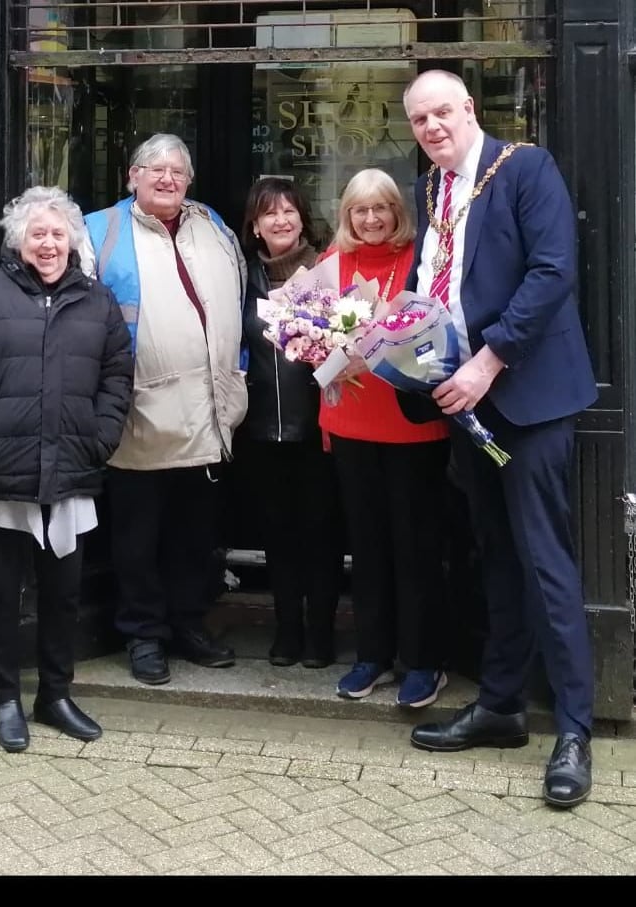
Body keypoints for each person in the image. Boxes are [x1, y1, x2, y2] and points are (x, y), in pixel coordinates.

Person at [401, 69, 598, 809]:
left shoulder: (524, 167)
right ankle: (502, 706)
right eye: (420, 119)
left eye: (442, 112)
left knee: (546, 560)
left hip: (530, 402)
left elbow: (552, 275)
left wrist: (488, 361)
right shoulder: (430, 191)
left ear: (469, 109)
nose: (433, 127)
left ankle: (575, 728)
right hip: (468, 412)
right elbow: (437, 291)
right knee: (495, 555)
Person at [0, 186, 133, 753]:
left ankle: (55, 696)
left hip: (67, 472)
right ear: (19, 241)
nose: (48, 242)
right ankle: (5, 699)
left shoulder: (97, 301)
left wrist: (101, 435)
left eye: (58, 232)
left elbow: (117, 374)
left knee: (62, 595)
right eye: (37, 233)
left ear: (72, 240)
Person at [81, 133, 248, 686]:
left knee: (193, 534)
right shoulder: (98, 230)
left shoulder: (214, 226)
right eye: (155, 169)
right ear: (131, 176)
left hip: (207, 414)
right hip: (138, 417)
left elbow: (239, 305)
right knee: (136, 538)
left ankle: (187, 625)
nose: (167, 179)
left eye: (178, 171)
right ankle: (143, 634)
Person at [318, 168, 451, 704]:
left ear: (399, 212)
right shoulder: (330, 266)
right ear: (346, 216)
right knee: (367, 547)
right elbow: (306, 339)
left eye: (382, 209)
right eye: (360, 210)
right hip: (349, 424)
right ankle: (372, 655)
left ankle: (424, 661)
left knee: (416, 547)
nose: (371, 219)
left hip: (412, 426)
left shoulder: (421, 262)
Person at [239, 177, 344, 668]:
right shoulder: (243, 279)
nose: (280, 221)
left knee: (321, 536)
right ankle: (286, 630)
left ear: (303, 217)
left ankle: (321, 632)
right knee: (276, 535)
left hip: (320, 428)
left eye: (289, 211)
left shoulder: (330, 270)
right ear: (255, 227)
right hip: (262, 430)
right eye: (268, 214)